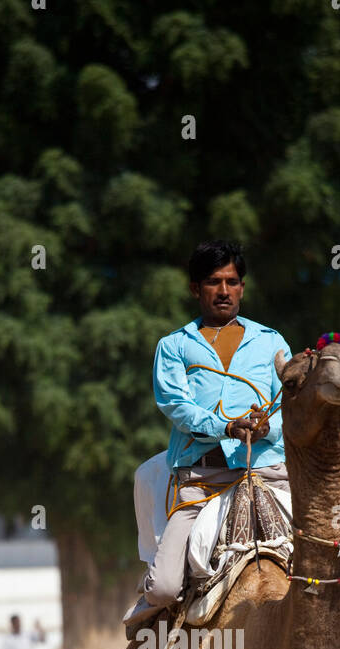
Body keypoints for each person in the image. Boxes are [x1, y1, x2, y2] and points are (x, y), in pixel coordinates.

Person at [133, 239, 290, 616]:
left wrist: (267, 427)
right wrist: (227, 427)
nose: (224, 291)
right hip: (202, 480)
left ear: (242, 287)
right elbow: (177, 407)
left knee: (329, 561)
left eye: (232, 281)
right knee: (166, 588)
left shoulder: (271, 343)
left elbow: (289, 406)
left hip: (268, 474)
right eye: (213, 282)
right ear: (195, 288)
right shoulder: (174, 346)